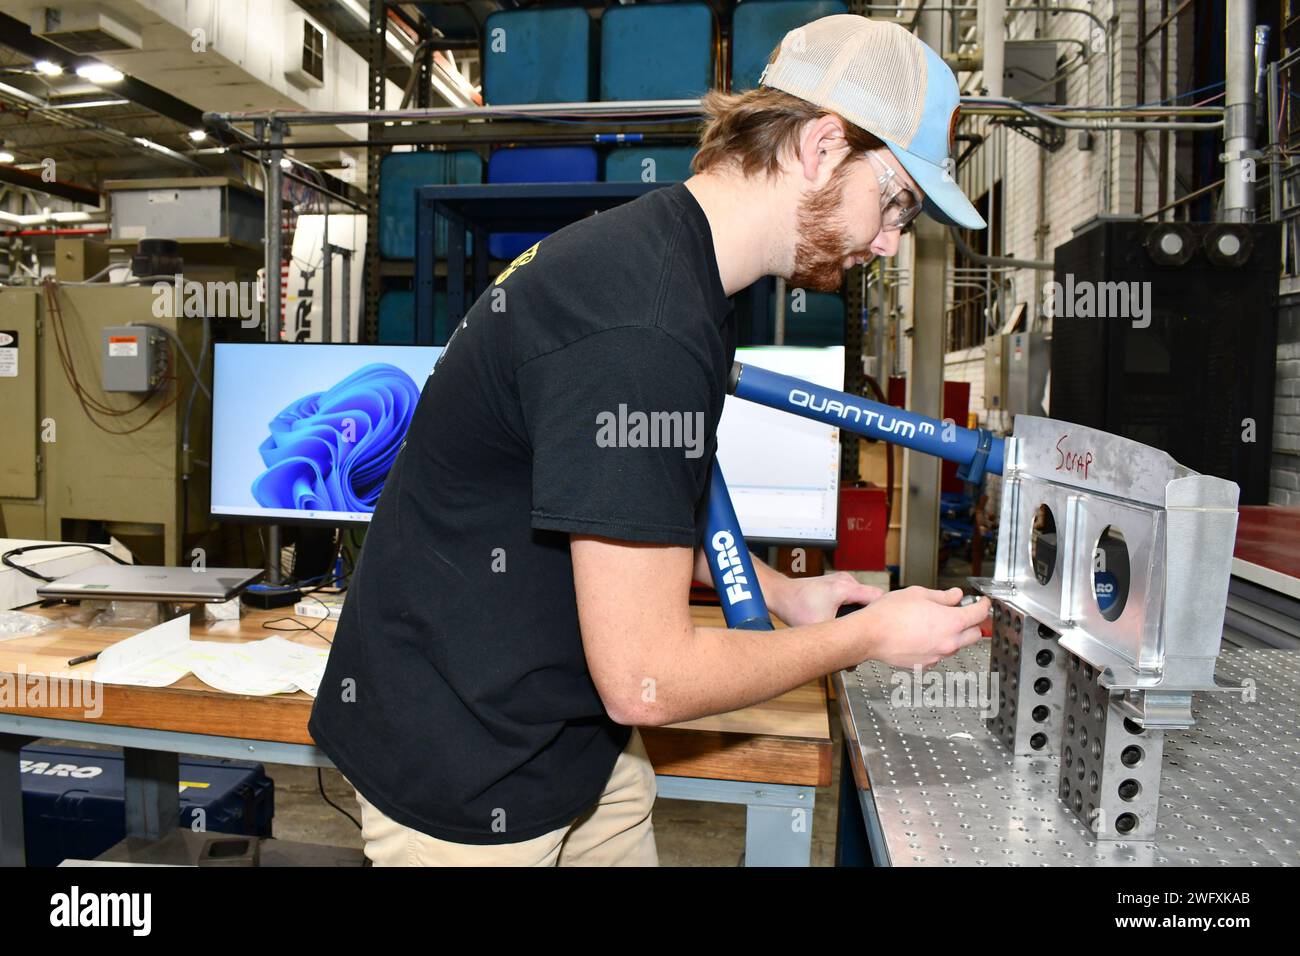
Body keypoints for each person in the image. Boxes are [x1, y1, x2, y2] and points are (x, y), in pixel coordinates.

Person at [309, 13, 991, 867]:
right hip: (467, 761)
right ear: (822, 147)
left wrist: (785, 593)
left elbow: (620, 510)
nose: (890, 240)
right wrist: (868, 635)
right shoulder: (645, 325)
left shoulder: (673, 268)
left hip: (570, 730)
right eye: (895, 202)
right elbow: (647, 681)